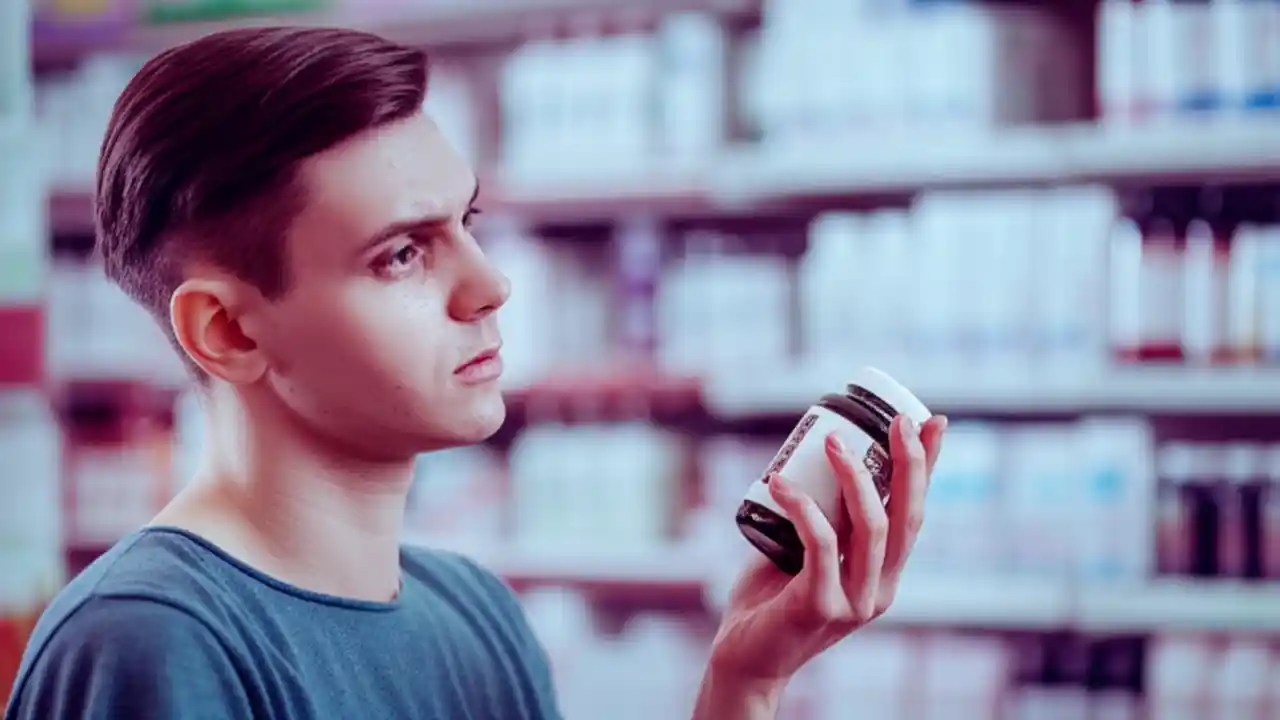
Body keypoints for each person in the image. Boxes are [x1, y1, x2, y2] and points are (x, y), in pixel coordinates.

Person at [5, 26, 947, 720]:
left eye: (470, 223)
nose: (490, 286)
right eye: (402, 256)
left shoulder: (477, 615)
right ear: (227, 333)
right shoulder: (151, 645)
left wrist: (747, 681)